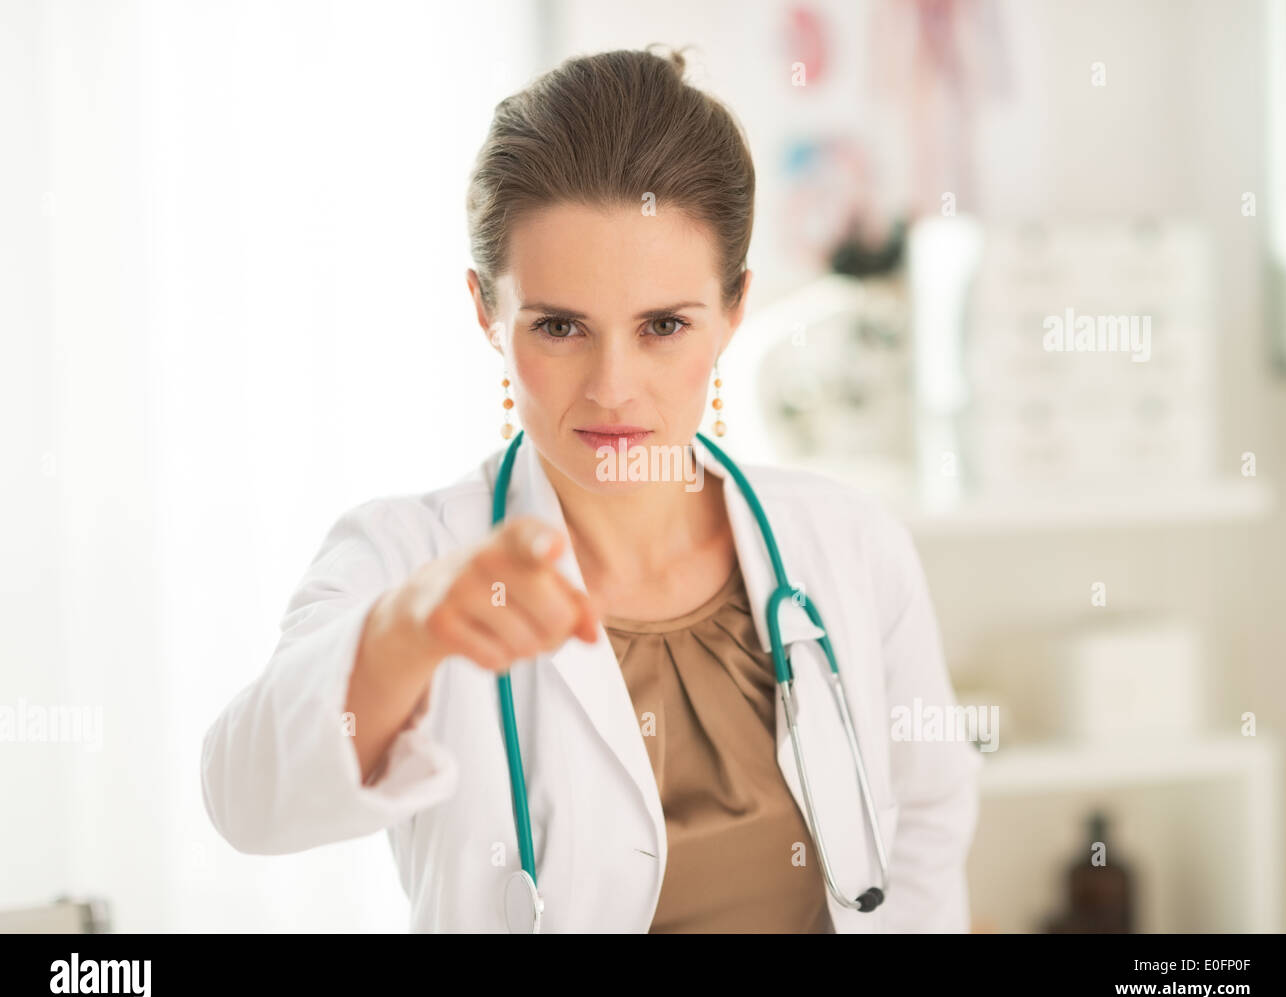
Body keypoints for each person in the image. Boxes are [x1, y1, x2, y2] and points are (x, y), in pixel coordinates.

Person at [200, 45, 981, 933]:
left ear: (733, 311)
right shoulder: (407, 557)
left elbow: (926, 819)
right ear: (486, 312)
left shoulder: (850, 542)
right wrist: (404, 635)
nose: (613, 387)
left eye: (663, 326)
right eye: (561, 325)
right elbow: (243, 799)